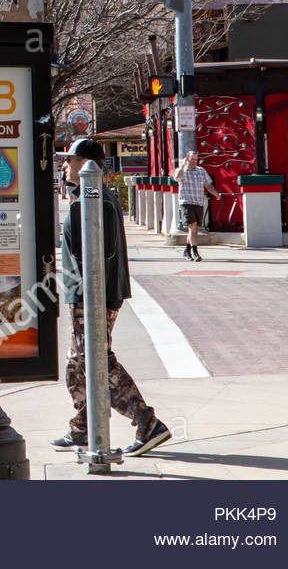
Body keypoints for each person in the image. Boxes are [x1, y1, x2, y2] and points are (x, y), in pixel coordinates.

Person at [53, 137, 170, 458]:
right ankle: (83, 426)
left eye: (70, 160)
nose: (65, 166)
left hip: (94, 296)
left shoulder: (93, 197)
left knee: (94, 363)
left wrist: (92, 298)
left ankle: (146, 421)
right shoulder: (90, 195)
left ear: (86, 164)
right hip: (91, 294)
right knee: (81, 364)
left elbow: (95, 252)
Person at [174, 150, 219, 262]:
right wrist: (183, 165)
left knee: (195, 230)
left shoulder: (201, 171)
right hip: (186, 202)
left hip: (199, 202)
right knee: (192, 225)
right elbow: (177, 178)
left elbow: (208, 184)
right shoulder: (182, 171)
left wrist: (215, 193)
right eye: (192, 159)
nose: (194, 161)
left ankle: (187, 250)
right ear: (187, 158)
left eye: (196, 159)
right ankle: (195, 252)